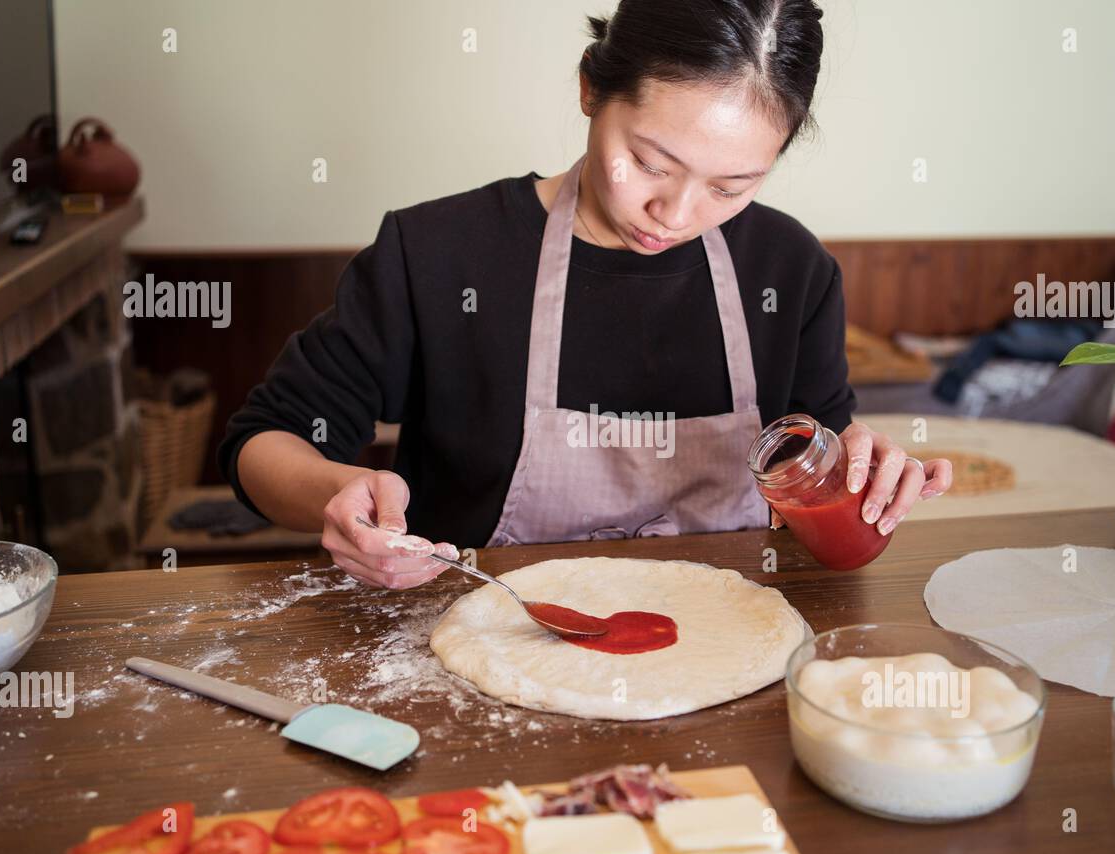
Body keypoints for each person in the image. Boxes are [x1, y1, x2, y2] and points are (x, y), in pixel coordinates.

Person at [219, 0, 952, 591]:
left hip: (722, 661)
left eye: (732, 187)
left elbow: (815, 492)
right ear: (590, 88)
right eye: (648, 162)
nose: (676, 212)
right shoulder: (440, 253)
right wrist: (336, 496)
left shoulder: (791, 272)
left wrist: (863, 483)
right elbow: (266, 440)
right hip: (472, 658)